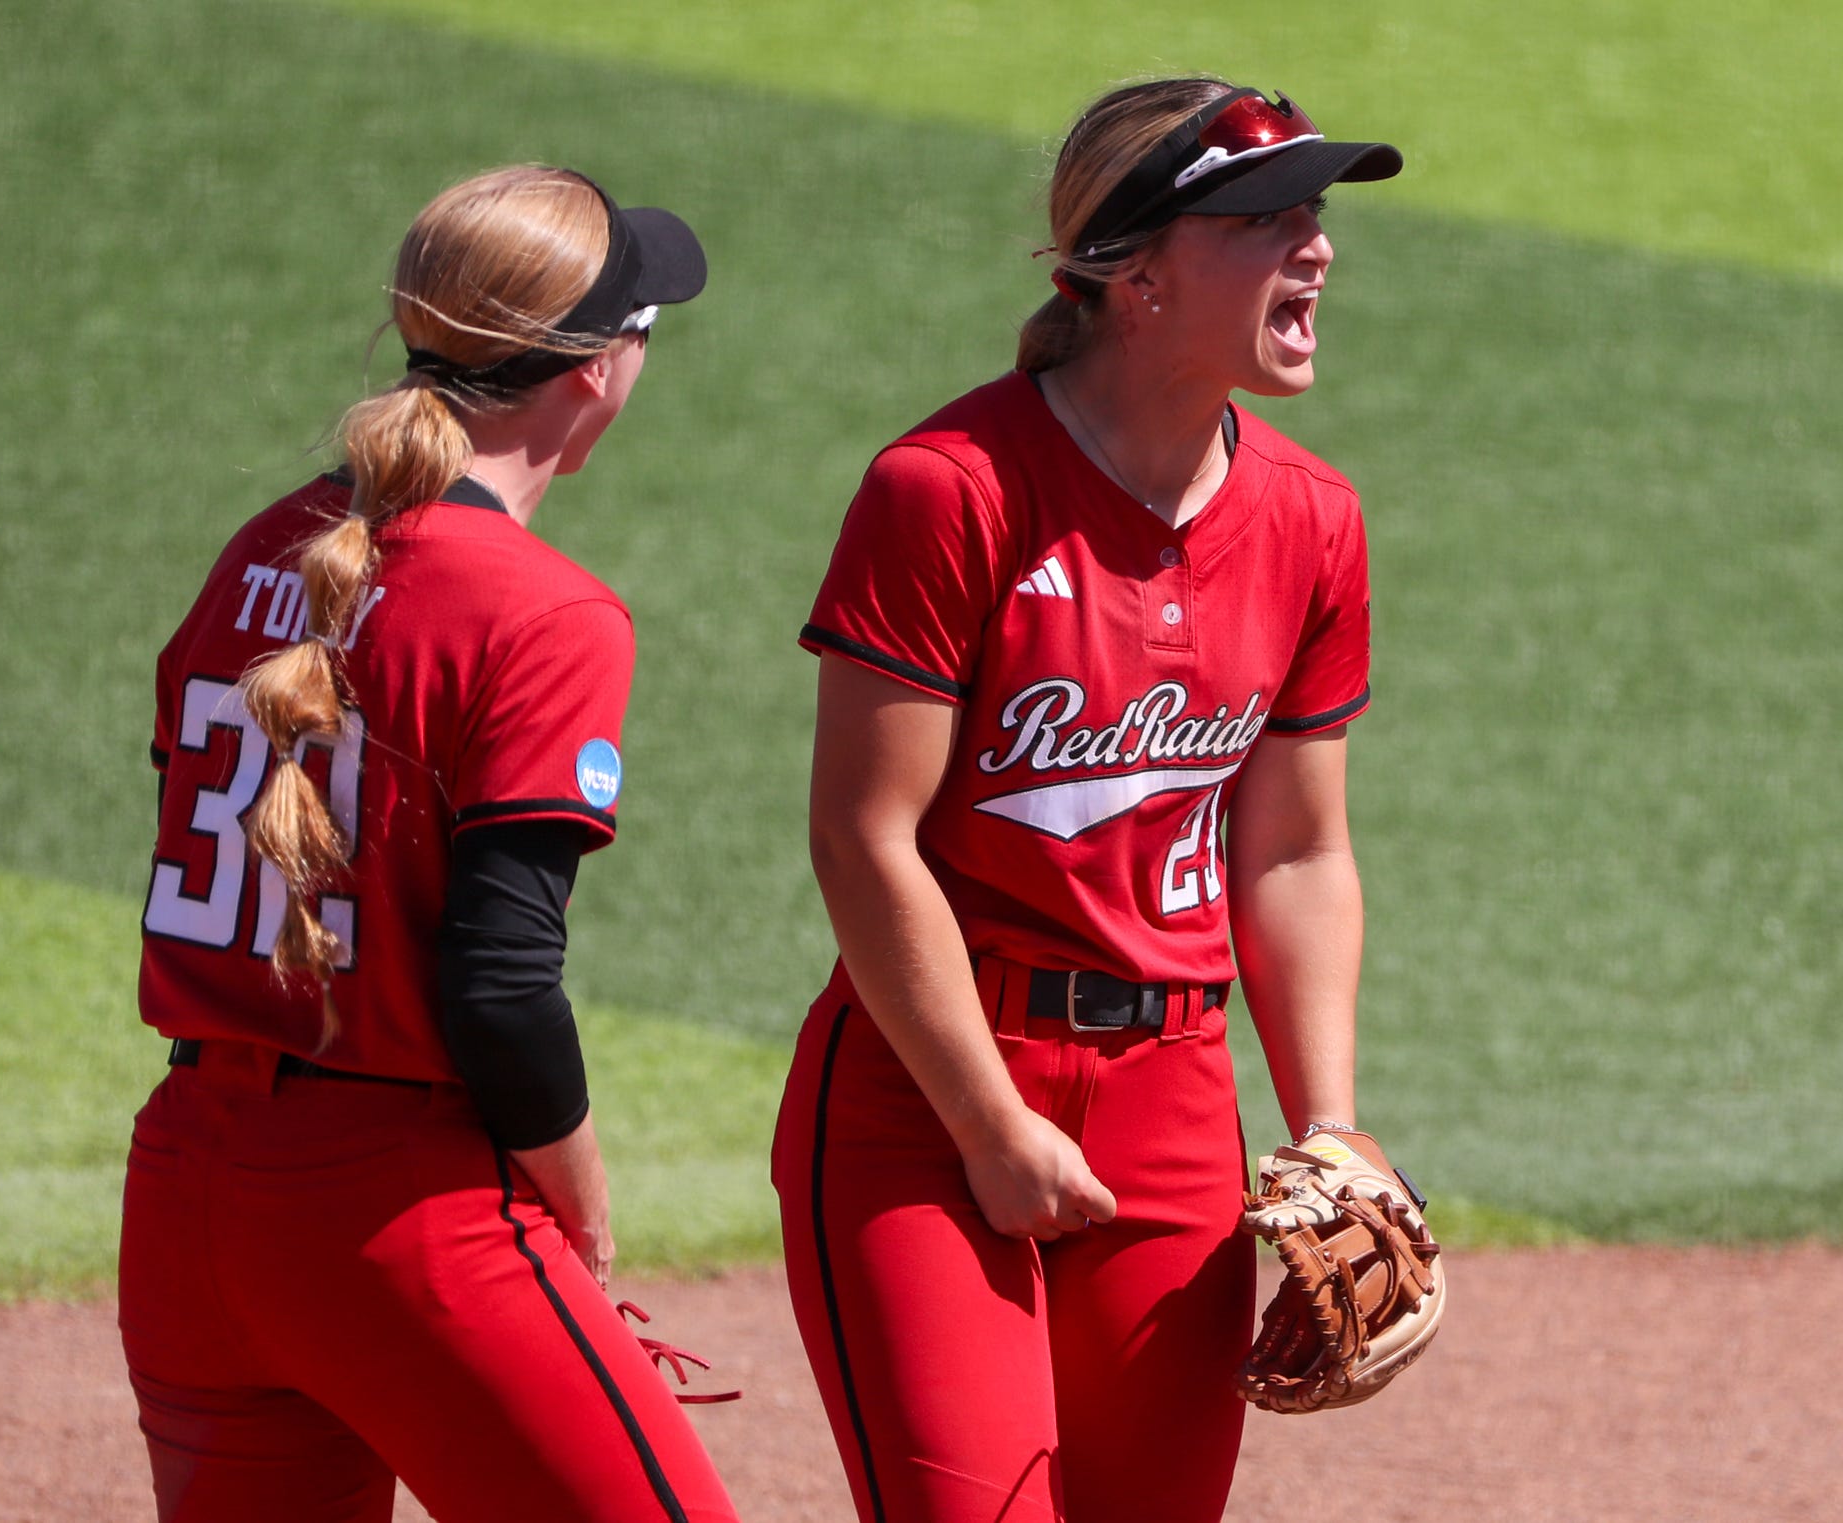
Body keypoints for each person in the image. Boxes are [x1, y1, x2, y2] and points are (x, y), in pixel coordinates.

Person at [772, 78, 1405, 1522]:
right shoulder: (949, 491)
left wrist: (1330, 1129)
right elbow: (863, 837)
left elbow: (1297, 853)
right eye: (1266, 219)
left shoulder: (1313, 520)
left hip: (1173, 1105)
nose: (1314, 247)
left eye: (1315, 214)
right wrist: (989, 1125)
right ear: (1136, 275)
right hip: (925, 1098)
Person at [120, 165, 739, 1523]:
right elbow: (503, 982)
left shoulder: (264, 550)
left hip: (188, 1197)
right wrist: (578, 1218)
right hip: (401, 1224)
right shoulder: (542, 612)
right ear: (599, 372)